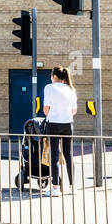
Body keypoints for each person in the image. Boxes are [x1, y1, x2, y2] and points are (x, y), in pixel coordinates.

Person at [41, 67, 77, 195]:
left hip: (54, 124)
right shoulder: (71, 90)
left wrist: (52, 115)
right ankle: (73, 187)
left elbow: (46, 109)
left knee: (55, 156)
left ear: (54, 76)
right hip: (68, 124)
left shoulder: (49, 88)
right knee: (69, 155)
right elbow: (74, 111)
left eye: (51, 74)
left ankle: (56, 188)